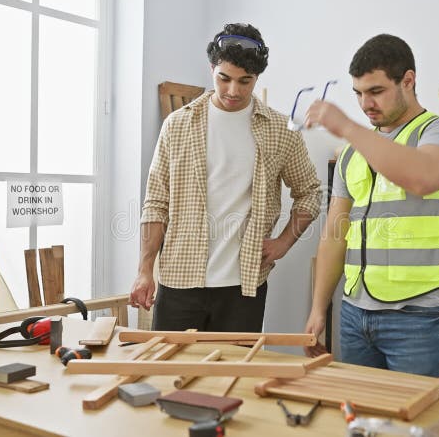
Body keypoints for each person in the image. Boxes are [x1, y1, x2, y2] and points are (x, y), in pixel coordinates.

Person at [131, 23, 321, 333]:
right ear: (211, 69)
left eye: (245, 81)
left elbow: (311, 192)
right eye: (224, 79)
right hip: (180, 280)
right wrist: (144, 270)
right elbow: (156, 202)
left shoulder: (280, 130)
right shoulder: (178, 125)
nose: (233, 91)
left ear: (257, 77)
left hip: (243, 287)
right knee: (168, 377)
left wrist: (284, 242)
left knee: (235, 378)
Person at [302, 34, 439, 377]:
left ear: (408, 81)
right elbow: (336, 235)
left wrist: (346, 127)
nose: (366, 104)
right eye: (359, 94)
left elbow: (423, 176)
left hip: (421, 318)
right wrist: (319, 307)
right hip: (354, 315)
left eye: (376, 91)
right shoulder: (352, 153)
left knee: (421, 427)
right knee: (362, 423)